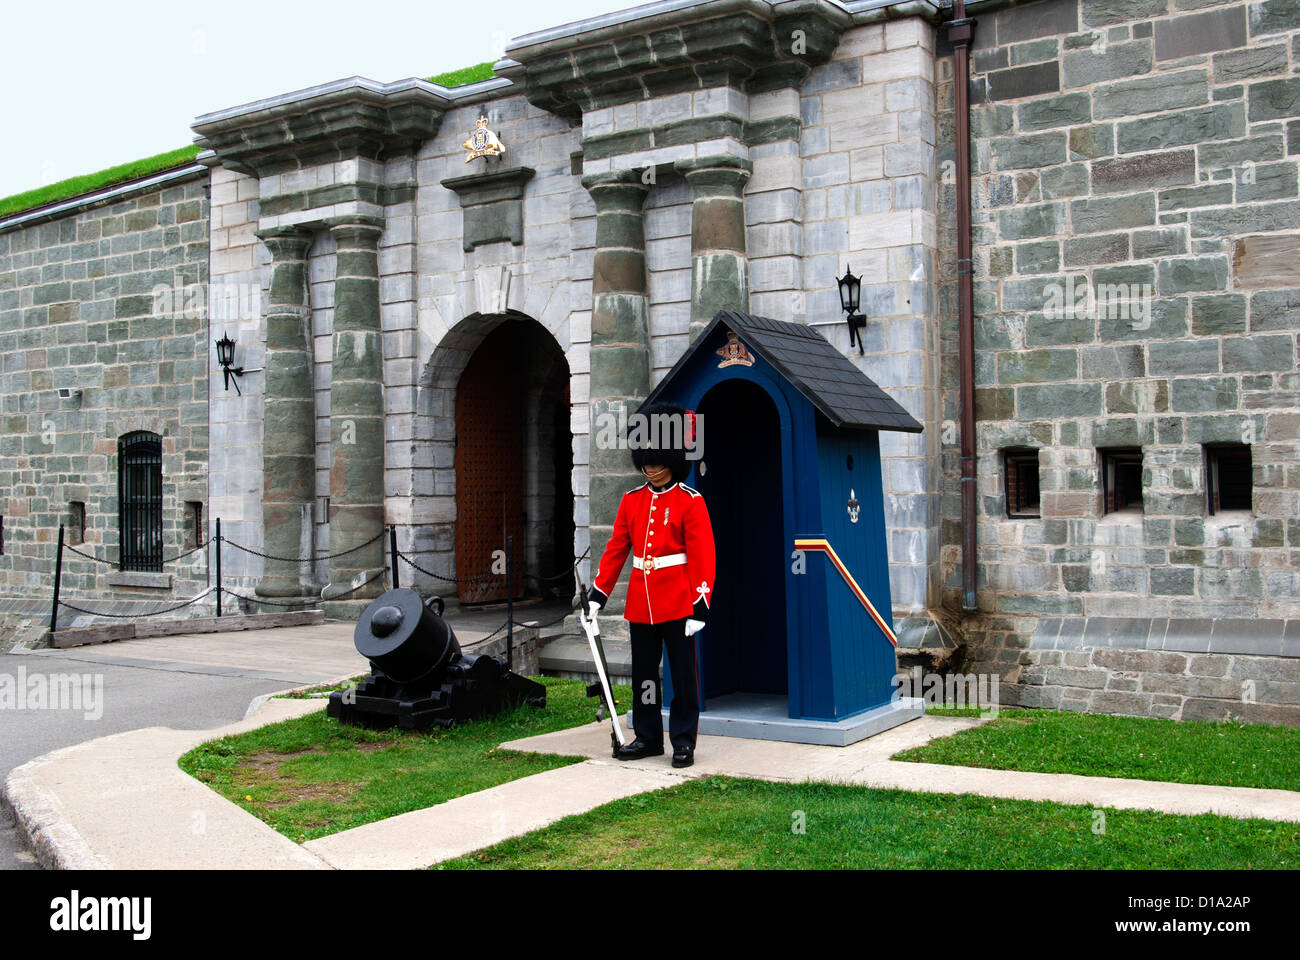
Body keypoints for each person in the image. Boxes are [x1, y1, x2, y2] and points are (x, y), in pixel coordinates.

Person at [585, 403, 715, 768]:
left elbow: (703, 556)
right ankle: (647, 737)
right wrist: (598, 595)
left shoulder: (690, 502)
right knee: (644, 675)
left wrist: (700, 604)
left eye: (657, 461)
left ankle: (684, 741)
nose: (650, 467)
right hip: (642, 604)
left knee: (683, 677)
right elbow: (616, 550)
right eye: (646, 461)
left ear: (673, 460)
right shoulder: (632, 501)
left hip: (679, 602)